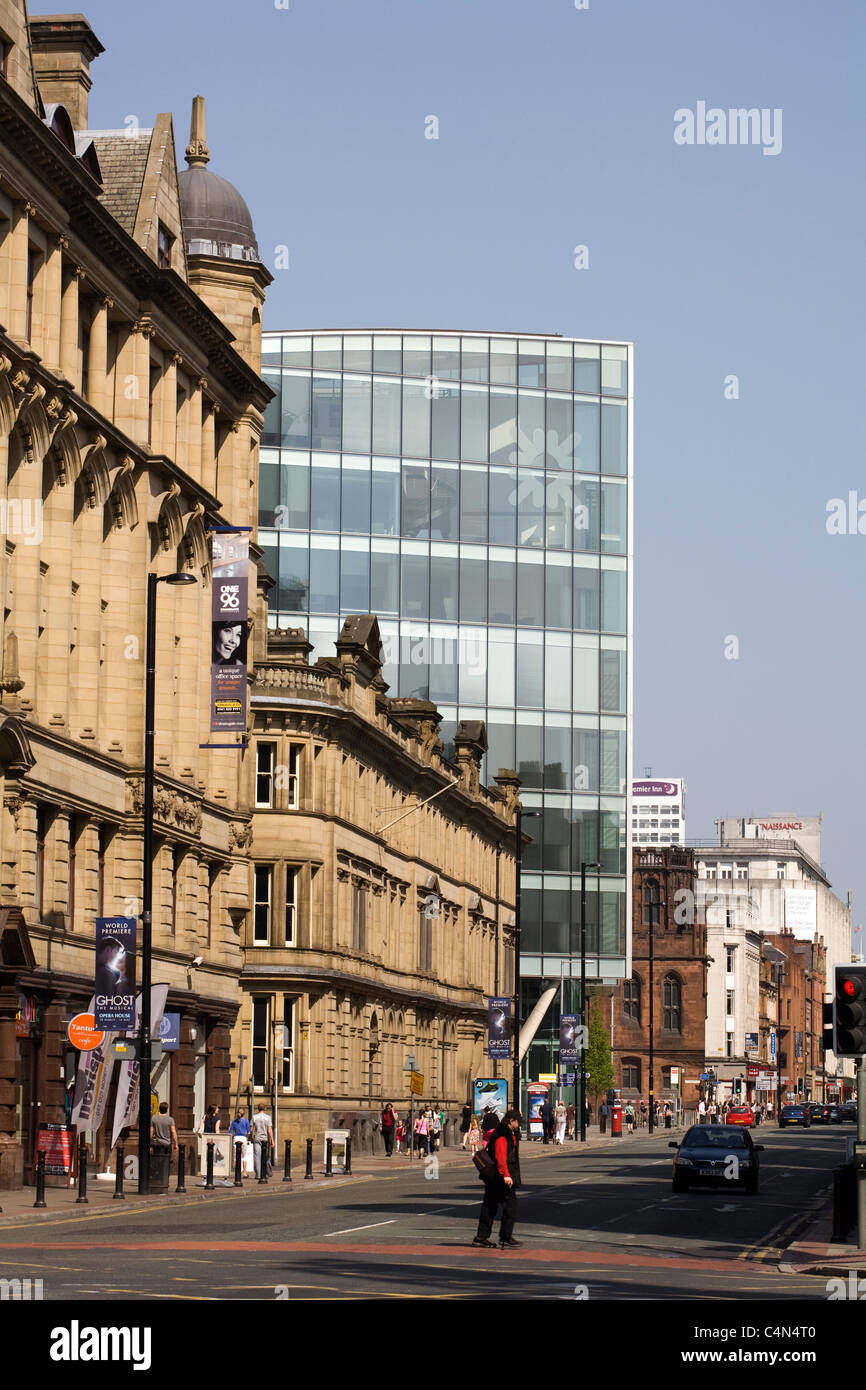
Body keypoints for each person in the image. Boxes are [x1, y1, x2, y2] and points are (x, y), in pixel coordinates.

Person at [473, 1108, 523, 1249]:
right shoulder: (502, 1135)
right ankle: (505, 1236)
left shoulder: (507, 1132)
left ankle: (481, 1237)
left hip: (494, 1177)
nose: (519, 1125)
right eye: (518, 1122)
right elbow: (501, 1158)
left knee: (490, 1206)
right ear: (511, 1121)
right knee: (510, 1206)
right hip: (499, 1177)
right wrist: (506, 1175)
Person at [251, 1103, 274, 1179]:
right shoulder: (268, 1117)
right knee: (266, 1156)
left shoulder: (254, 1117)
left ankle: (258, 1174)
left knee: (257, 1157)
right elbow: (269, 1130)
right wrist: (272, 1141)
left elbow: (251, 1129)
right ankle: (266, 1172)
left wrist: (251, 1137)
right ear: (265, 1109)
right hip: (265, 1139)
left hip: (257, 1138)